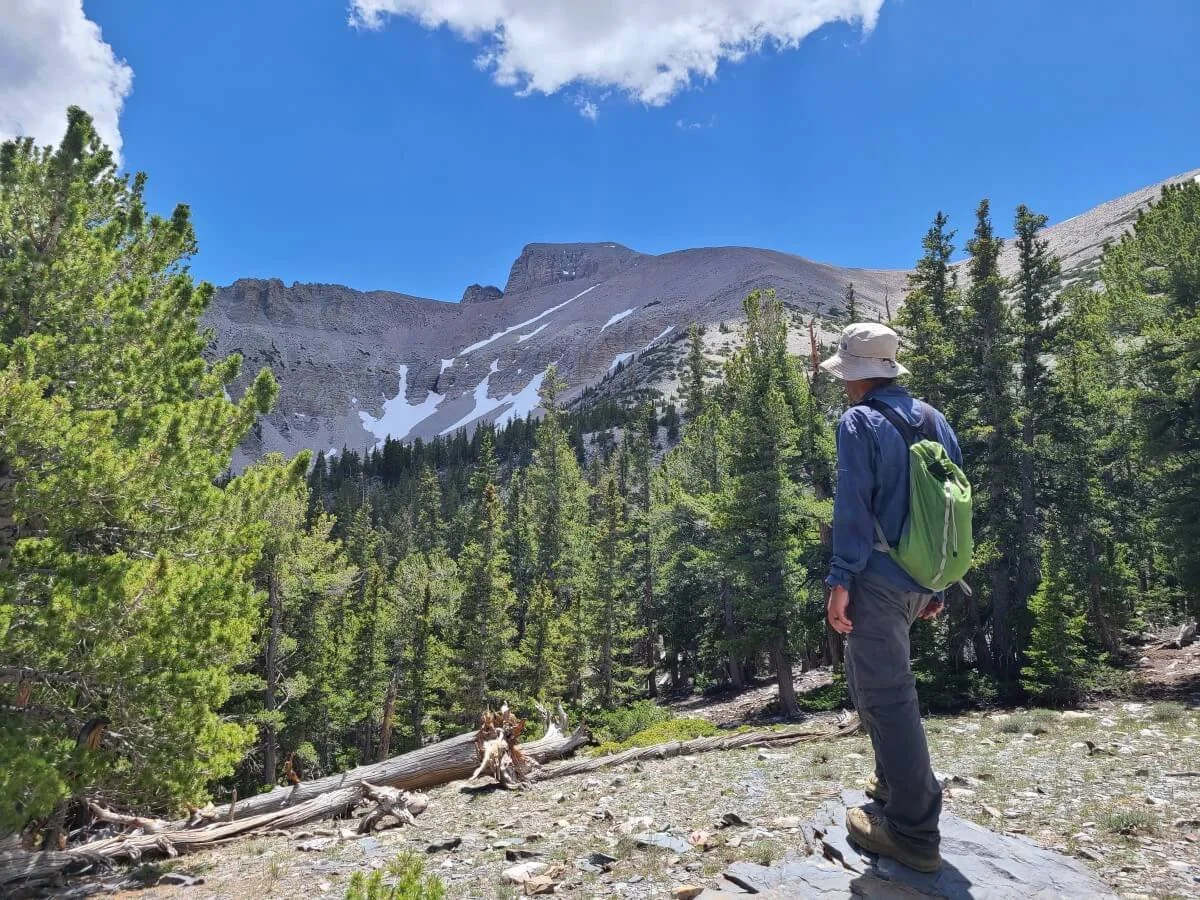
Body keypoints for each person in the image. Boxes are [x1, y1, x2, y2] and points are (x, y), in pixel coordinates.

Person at [819, 322, 963, 874]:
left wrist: (839, 580)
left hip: (876, 578)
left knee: (886, 693)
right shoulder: (933, 417)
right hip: (920, 577)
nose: (843, 386)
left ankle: (912, 830)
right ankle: (890, 780)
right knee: (874, 684)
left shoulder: (859, 420)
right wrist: (937, 582)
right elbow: (950, 505)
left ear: (858, 377)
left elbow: (852, 507)